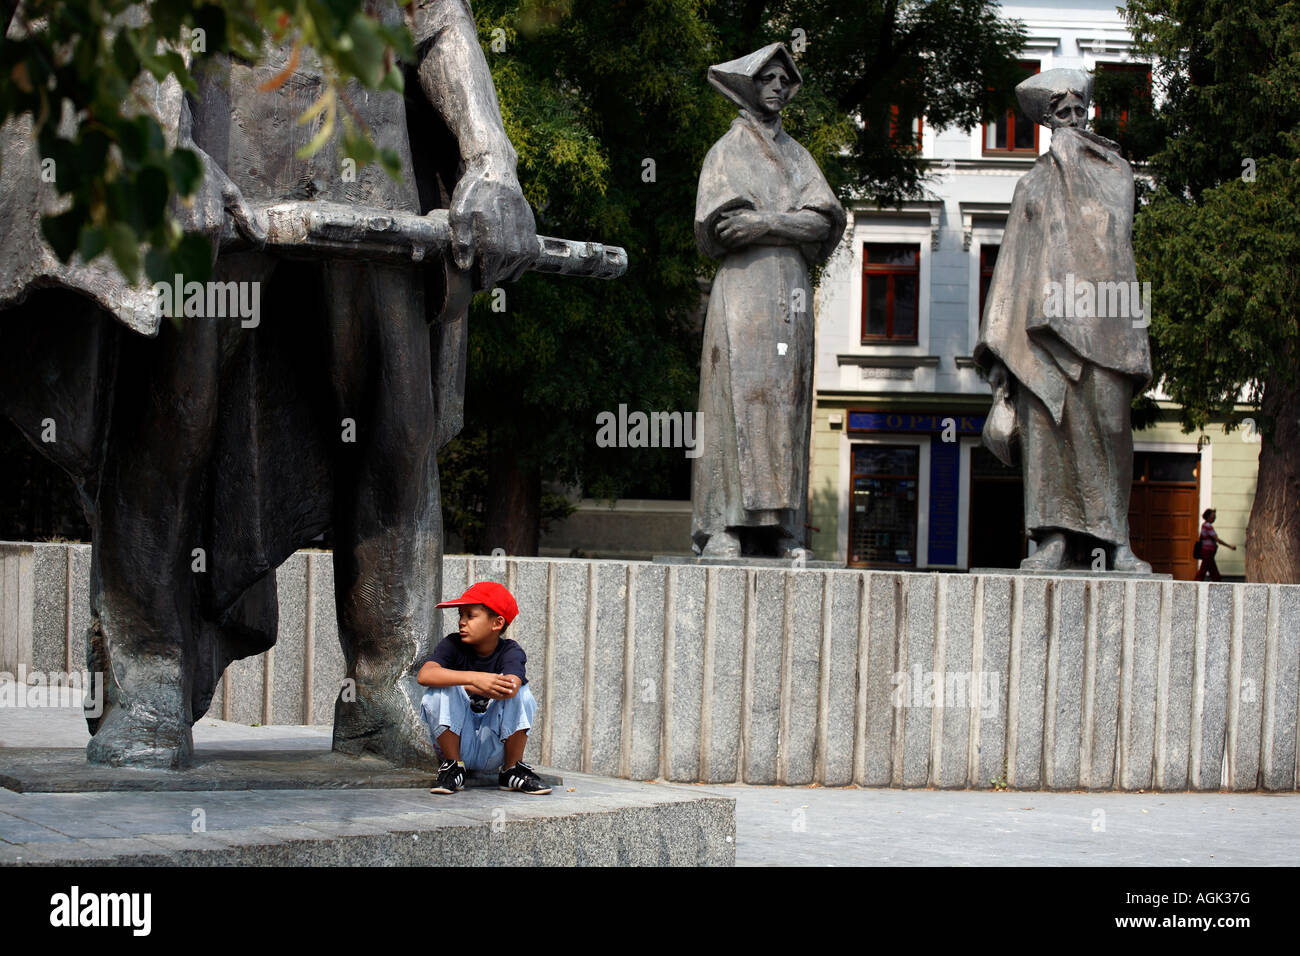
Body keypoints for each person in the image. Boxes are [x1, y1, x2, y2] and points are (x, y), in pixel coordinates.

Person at [0, 1, 537, 768]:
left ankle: (388, 689)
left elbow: (437, 17)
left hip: (372, 168)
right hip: (219, 149)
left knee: (400, 429)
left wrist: (490, 161)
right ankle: (144, 673)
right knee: (174, 415)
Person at [974, 68, 1152, 573]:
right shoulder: (1030, 183)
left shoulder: (1115, 173)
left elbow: (1115, 237)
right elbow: (1010, 263)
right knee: (1048, 431)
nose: (1073, 120)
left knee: (1112, 426)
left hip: (1105, 321)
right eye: (1062, 113)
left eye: (1079, 110)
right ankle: (1052, 537)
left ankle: (1116, 541)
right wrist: (998, 350)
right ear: (1048, 122)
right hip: (1041, 330)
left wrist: (1076, 165)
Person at [690, 43, 846, 558]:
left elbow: (823, 222)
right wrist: (786, 224)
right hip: (744, 293)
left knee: (787, 405)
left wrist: (766, 222)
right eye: (769, 78)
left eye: (784, 79)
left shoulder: (799, 157)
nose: (778, 86)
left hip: (792, 296)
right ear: (749, 86)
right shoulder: (725, 151)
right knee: (736, 400)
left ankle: (779, 527)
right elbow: (724, 228)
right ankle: (723, 525)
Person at [418, 581, 550, 795]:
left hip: (493, 746)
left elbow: (513, 687)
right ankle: (452, 767)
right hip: (460, 742)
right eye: (460, 615)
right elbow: (425, 675)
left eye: (470, 616)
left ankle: (511, 768)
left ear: (497, 623)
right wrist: (474, 679)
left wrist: (491, 684)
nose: (462, 622)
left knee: (524, 693)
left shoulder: (510, 651)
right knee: (440, 687)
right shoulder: (452, 644)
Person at [1195, 508, 1236, 582]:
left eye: (1214, 516)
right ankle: (1197, 583)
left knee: (1212, 570)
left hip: (1209, 552)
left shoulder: (1205, 525)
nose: (1214, 518)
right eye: (1213, 516)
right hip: (1207, 552)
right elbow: (1217, 539)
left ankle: (1218, 583)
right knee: (1204, 570)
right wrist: (1229, 546)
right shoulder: (1208, 526)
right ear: (1208, 517)